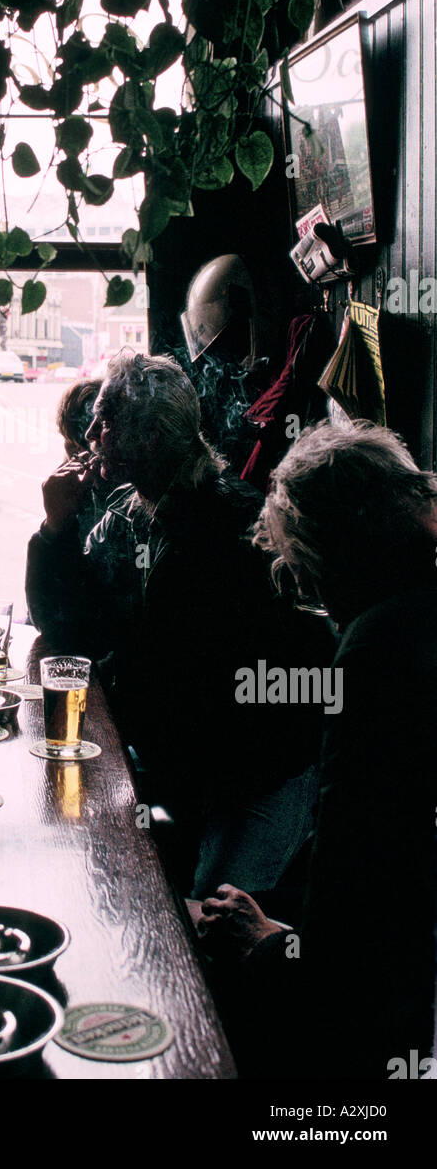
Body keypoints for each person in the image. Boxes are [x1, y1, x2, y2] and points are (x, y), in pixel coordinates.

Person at [196, 421, 437, 1079]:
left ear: (332, 556)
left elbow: (360, 897)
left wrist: (271, 945)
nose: (316, 605)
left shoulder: (379, 649)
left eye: (303, 579)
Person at [83, 353, 330, 898]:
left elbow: (174, 685)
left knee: (215, 926)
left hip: (263, 778)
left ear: (148, 439)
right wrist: (54, 530)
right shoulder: (138, 508)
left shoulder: (222, 532)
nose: (91, 433)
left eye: (105, 422)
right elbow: (83, 619)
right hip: (201, 769)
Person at [25, 380, 142, 656]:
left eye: (88, 445)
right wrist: (53, 528)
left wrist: (55, 531)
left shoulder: (132, 505)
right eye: (70, 448)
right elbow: (45, 617)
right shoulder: (72, 497)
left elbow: (83, 626)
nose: (77, 463)